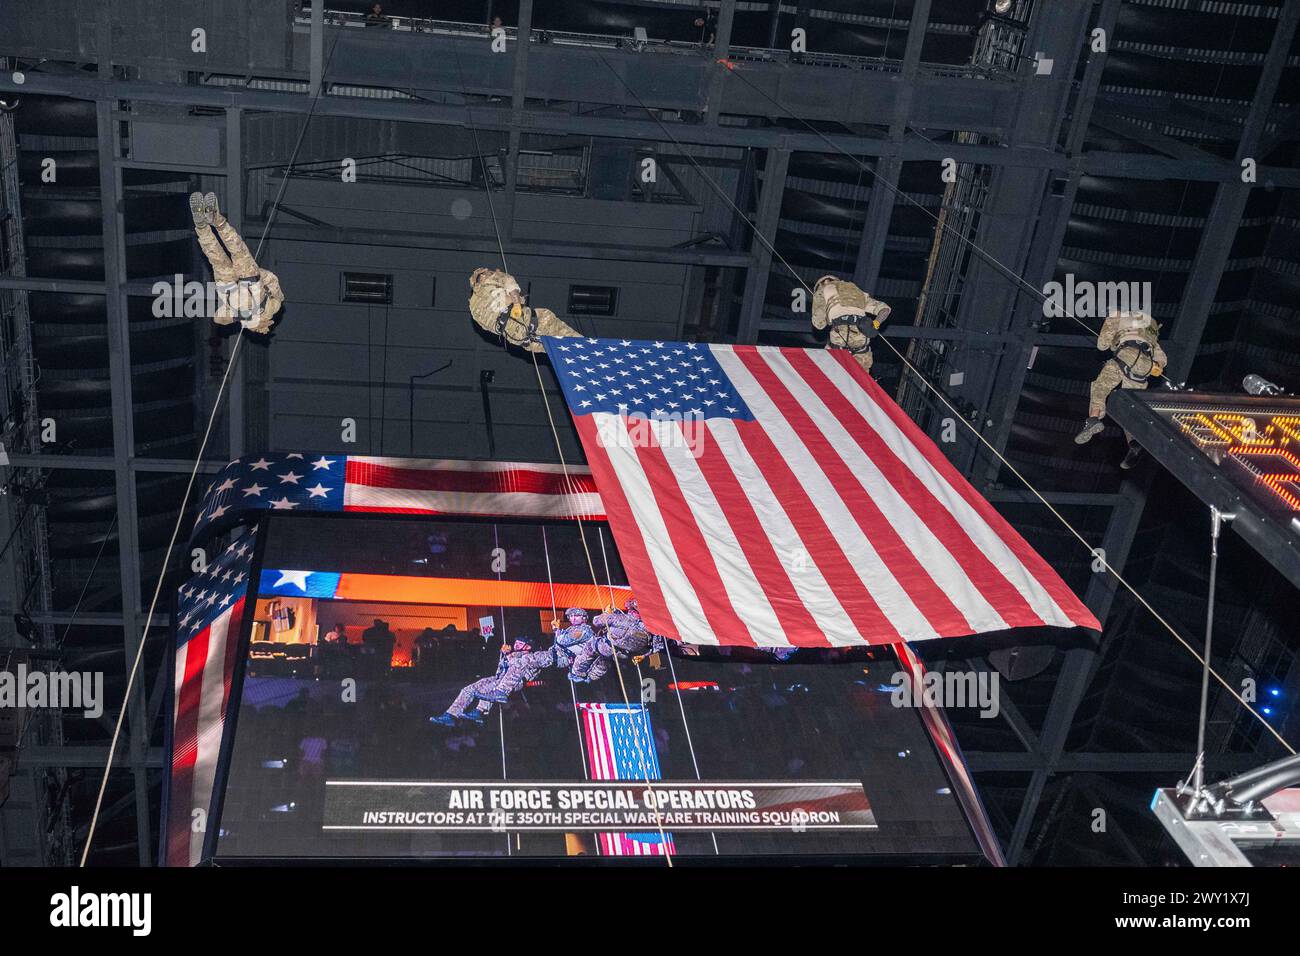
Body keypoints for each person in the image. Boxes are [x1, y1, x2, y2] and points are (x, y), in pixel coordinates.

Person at [1074, 309, 1167, 468]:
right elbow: (1161, 358)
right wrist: (1158, 366)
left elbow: (1102, 344)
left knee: (1100, 387)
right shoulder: (1149, 327)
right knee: (1128, 408)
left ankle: (1093, 419)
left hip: (1126, 354)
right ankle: (1134, 442)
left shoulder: (1116, 315)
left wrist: (1110, 330)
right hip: (1145, 366)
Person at [189, 192, 283, 334]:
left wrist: (258, 274)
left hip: (247, 283)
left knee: (235, 248)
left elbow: (272, 280)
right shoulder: (264, 311)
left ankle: (213, 221)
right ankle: (203, 227)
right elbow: (218, 318)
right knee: (217, 256)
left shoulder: (271, 307)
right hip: (236, 287)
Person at [431, 638, 553, 725]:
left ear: (528, 646)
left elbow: (521, 664)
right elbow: (500, 668)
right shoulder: (512, 654)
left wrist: (509, 655)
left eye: (519, 643)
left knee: (488, 691)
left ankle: (479, 711)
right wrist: (504, 654)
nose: (515, 645)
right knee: (469, 689)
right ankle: (452, 714)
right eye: (515, 642)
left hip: (512, 682)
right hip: (499, 678)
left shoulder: (531, 656)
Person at [467, 268, 581, 353]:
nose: (491, 272)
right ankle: (586, 346)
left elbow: (489, 328)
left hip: (520, 339)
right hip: (526, 320)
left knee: (558, 350)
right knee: (549, 319)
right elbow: (511, 285)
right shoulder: (493, 279)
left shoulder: (474, 309)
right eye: (488, 272)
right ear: (482, 276)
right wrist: (516, 303)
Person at [810, 275, 891, 374]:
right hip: (861, 337)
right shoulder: (857, 291)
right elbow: (885, 310)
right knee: (861, 379)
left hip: (839, 338)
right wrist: (875, 324)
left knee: (826, 372)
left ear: (821, 284)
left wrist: (829, 316)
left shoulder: (822, 291)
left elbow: (819, 324)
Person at [550, 607, 596, 672]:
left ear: (584, 618)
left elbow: (563, 640)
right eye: (571, 616)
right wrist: (556, 630)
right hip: (565, 658)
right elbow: (558, 643)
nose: (573, 618)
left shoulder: (584, 630)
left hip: (578, 663)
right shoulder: (571, 629)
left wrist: (557, 632)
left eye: (577, 616)